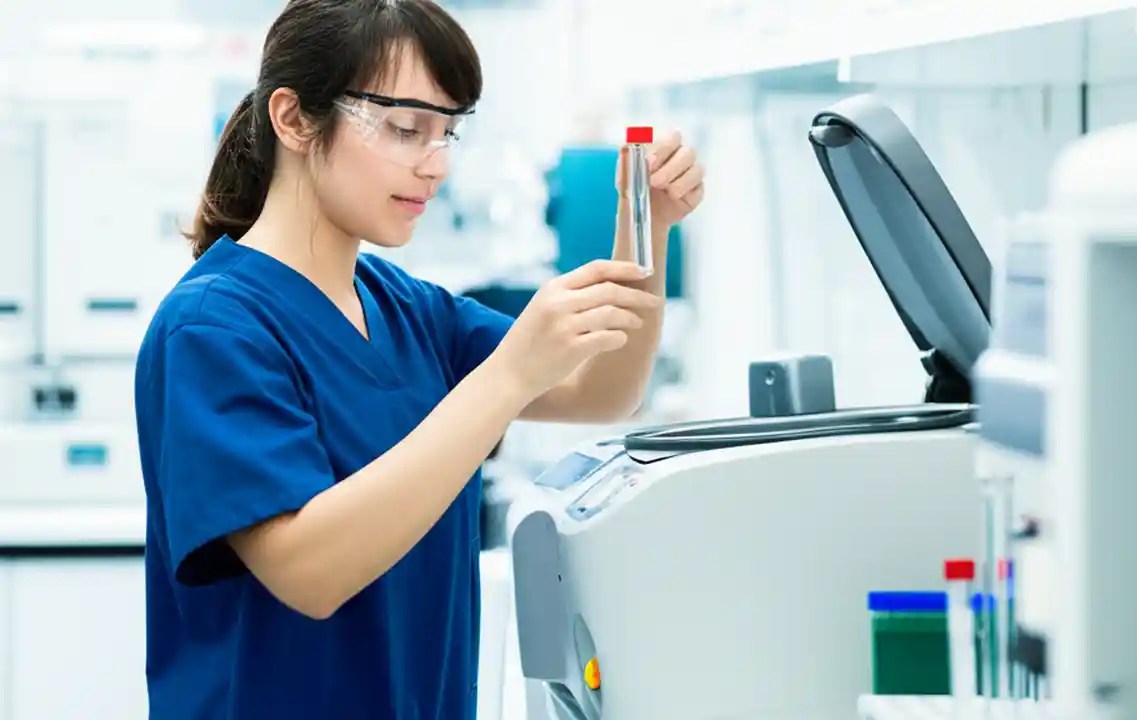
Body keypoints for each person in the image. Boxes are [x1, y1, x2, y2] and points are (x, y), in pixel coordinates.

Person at [131, 0, 706, 717]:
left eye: (447, 133)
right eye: (406, 129)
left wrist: (643, 226)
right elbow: (309, 571)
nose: (435, 166)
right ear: (294, 118)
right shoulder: (215, 328)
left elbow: (603, 391)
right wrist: (508, 375)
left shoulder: (405, 307)